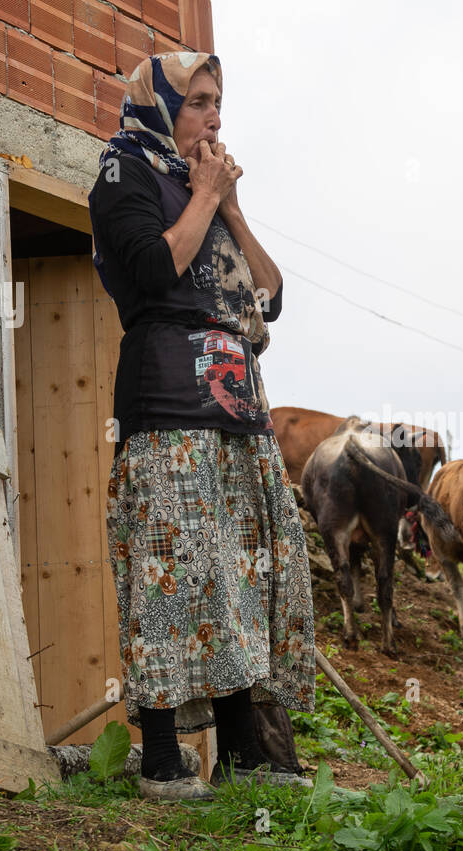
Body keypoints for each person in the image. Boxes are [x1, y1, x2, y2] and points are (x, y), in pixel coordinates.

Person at [88, 51, 316, 801]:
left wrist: (231, 209)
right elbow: (155, 270)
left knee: (240, 579)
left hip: (238, 418)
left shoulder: (205, 192)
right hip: (166, 416)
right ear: (160, 107)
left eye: (220, 102)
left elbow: (271, 295)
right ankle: (159, 761)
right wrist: (203, 197)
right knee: (169, 578)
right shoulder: (125, 176)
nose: (216, 115)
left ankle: (247, 756)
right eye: (200, 101)